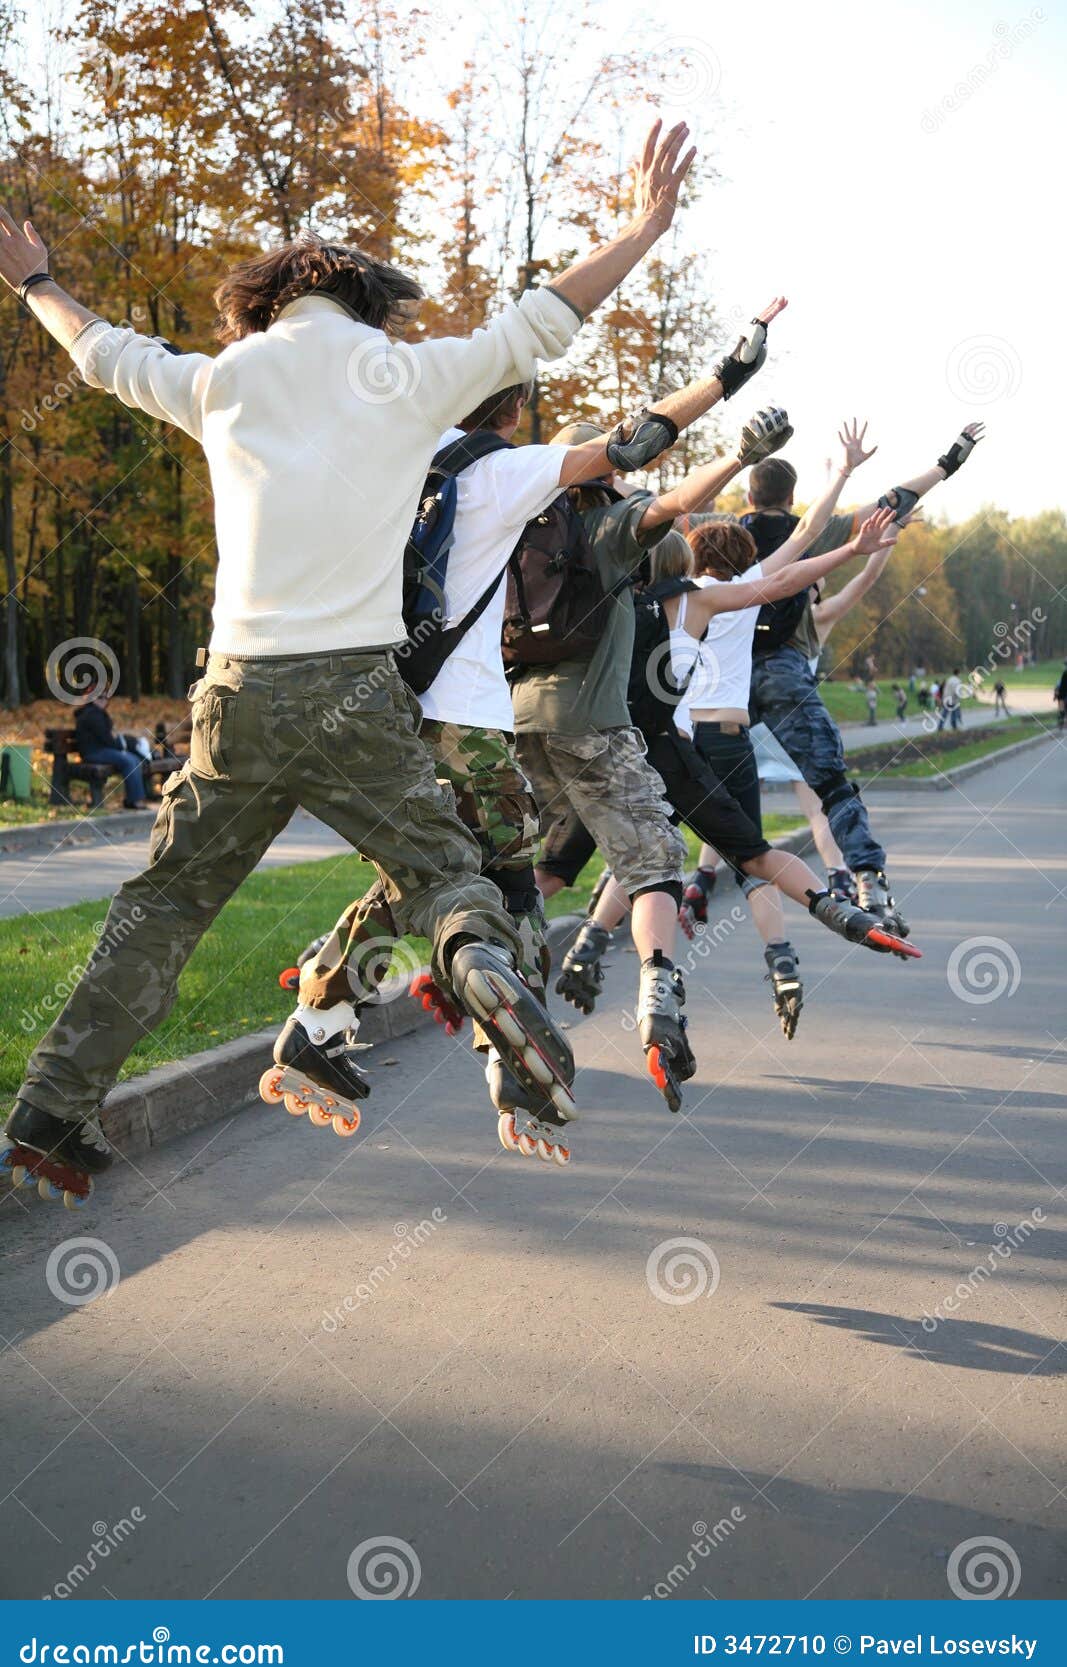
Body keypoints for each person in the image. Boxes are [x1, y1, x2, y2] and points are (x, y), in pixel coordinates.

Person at [0, 116, 697, 1186]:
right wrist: (646, 225)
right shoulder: (407, 377)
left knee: (164, 903)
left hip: (238, 690)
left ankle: (50, 1112)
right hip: (355, 697)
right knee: (443, 873)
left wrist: (36, 278)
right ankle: (477, 970)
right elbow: (543, 319)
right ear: (370, 305)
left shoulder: (221, 381)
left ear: (262, 305)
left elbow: (97, 354)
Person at [280, 301, 782, 1161]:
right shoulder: (526, 485)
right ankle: (491, 1057)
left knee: (438, 874)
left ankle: (332, 1017)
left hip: (390, 698)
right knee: (509, 879)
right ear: (512, 412)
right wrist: (732, 402)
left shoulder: (411, 461)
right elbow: (651, 474)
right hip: (476, 718)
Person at [548, 429, 920, 1044]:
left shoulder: (637, 599)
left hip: (651, 743)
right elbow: (799, 547)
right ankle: (784, 959)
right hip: (721, 741)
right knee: (751, 858)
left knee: (645, 853)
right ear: (741, 558)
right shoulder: (727, 600)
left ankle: (589, 940)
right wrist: (848, 516)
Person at [512, 409, 796, 1109]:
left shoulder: (523, 526)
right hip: (638, 737)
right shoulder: (631, 557)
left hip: (518, 722)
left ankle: (502, 964)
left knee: (540, 866)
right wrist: (740, 454)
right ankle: (669, 988)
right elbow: (766, 572)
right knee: (662, 863)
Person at [743, 421, 985, 937]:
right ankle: (868, 878)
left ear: (748, 493)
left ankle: (651, 897)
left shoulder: (718, 534)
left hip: (719, 682)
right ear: (791, 499)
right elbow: (889, 502)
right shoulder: (809, 531)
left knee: (687, 787)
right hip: (782, 671)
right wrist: (947, 462)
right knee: (831, 784)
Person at [73, 684, 149, 810]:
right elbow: (107, 739)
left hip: (101, 750)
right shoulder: (92, 715)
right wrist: (124, 745)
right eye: (99, 697)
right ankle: (135, 800)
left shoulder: (98, 713)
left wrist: (123, 745)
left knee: (133, 759)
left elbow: (108, 738)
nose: (103, 701)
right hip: (93, 752)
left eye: (105, 698)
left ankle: (132, 799)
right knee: (129, 760)